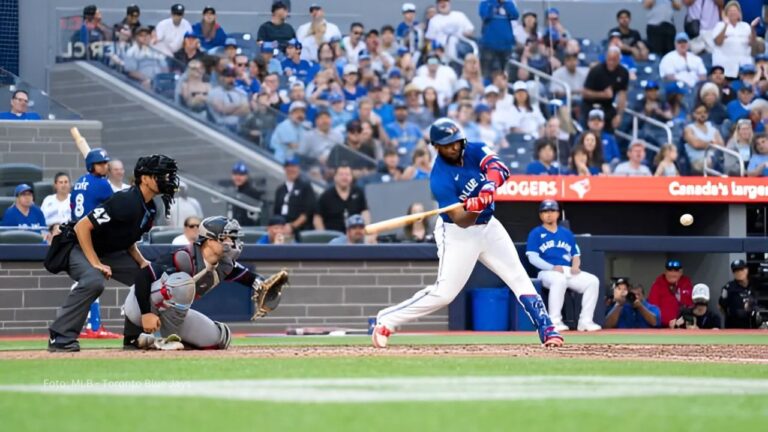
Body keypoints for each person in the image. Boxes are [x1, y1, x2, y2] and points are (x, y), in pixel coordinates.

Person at [373, 119, 564, 348]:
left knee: (518, 276)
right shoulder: (439, 178)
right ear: (436, 146)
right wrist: (474, 207)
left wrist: (488, 187)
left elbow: (500, 168)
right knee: (445, 294)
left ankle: (547, 328)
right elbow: (461, 220)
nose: (454, 147)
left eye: (456, 141)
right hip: (457, 234)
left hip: (489, 227)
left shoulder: (474, 148)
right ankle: (387, 319)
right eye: (447, 144)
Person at [47, 155, 178, 352]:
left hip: (108, 251)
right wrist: (96, 263)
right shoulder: (125, 200)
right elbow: (82, 227)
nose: (166, 179)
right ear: (145, 179)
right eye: (160, 175)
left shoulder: (150, 208)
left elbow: (127, 240)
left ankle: (134, 337)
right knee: (94, 280)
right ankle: (60, 336)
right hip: (78, 245)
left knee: (146, 278)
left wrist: (143, 263)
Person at [122, 216, 289, 350]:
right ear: (209, 240)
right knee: (183, 284)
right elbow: (143, 277)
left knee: (220, 337)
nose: (232, 243)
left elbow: (250, 279)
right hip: (141, 306)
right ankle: (152, 337)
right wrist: (146, 313)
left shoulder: (225, 265)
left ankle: (148, 341)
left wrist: (264, 286)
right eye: (226, 238)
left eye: (233, 238)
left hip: (173, 315)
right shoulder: (183, 257)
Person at [526, 199, 601, 332]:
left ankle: (585, 321)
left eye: (552, 211)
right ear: (540, 215)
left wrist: (576, 266)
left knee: (592, 281)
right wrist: (551, 267)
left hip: (566, 270)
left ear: (558, 213)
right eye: (545, 211)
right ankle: (554, 321)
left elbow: (575, 254)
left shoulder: (566, 233)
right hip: (546, 272)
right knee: (558, 280)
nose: (548, 214)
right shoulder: (536, 233)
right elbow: (532, 258)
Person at [581, 47, 628, 131]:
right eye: (609, 59)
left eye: (614, 60)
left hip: (608, 106)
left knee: (611, 129)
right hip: (590, 104)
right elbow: (585, 93)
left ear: (619, 59)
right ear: (606, 58)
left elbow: (622, 95)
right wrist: (603, 95)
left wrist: (619, 115)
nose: (611, 62)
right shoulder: (596, 70)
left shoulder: (623, 72)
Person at [314, 164, 370, 232]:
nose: (344, 177)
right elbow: (317, 218)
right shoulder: (326, 195)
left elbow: (365, 211)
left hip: (356, 236)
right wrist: (322, 236)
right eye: (341, 174)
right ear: (335, 177)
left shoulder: (358, 192)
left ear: (352, 177)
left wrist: (366, 229)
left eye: (347, 174)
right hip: (333, 238)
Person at [711, 1, 757, 80]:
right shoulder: (719, 25)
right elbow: (718, 42)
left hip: (743, 66)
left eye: (735, 11)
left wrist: (752, 28)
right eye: (730, 11)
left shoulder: (745, 26)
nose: (733, 13)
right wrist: (725, 25)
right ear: (726, 13)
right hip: (725, 66)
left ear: (739, 13)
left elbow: (752, 43)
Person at [273, 157, 316, 234]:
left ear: (298, 169)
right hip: (281, 228)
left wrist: (292, 226)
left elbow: (307, 213)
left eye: (294, 167)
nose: (291, 170)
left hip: (300, 229)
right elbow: (276, 212)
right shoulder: (280, 190)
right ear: (285, 169)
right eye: (289, 167)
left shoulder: (305, 187)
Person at [647, 259, 694, 328]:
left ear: (681, 272)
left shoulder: (687, 284)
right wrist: (667, 322)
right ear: (665, 272)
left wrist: (682, 319)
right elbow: (653, 309)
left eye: (676, 271)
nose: (672, 274)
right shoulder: (657, 285)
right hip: (662, 328)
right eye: (670, 271)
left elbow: (691, 306)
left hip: (683, 326)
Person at [478, 0, 518, 77]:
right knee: (488, 74)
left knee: (504, 74)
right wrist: (495, 3)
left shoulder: (508, 3)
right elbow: (485, 15)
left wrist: (505, 3)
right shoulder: (485, 3)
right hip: (489, 46)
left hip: (506, 46)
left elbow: (515, 15)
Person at [719, 259, 761, 328]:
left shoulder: (754, 285)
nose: (739, 272)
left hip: (752, 325)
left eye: (741, 269)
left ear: (746, 270)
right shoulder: (728, 288)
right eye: (736, 271)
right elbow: (721, 305)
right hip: (734, 326)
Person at [684, 104, 723, 173]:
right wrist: (712, 143)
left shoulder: (712, 128)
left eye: (705, 112)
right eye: (699, 113)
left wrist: (705, 144)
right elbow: (696, 144)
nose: (702, 115)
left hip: (714, 159)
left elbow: (721, 145)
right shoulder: (689, 128)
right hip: (697, 161)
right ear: (694, 114)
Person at [229, 161, 263, 226]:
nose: (238, 177)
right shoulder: (234, 191)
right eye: (235, 174)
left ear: (246, 176)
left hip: (248, 228)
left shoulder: (252, 192)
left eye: (241, 175)